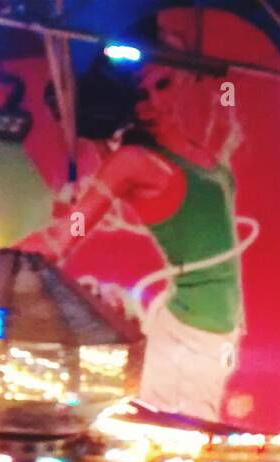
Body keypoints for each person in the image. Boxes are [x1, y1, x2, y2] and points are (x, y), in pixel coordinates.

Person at [20, 20, 255, 422]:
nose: (150, 103)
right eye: (139, 94)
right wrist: (29, 250)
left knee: (189, 436)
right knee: (180, 439)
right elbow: (74, 229)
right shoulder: (134, 163)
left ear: (180, 80)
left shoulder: (200, 152)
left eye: (160, 86)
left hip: (217, 329)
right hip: (189, 334)